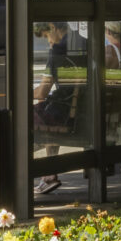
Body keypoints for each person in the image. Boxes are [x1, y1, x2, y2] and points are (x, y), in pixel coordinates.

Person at [33, 21, 85, 195]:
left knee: (30, 116)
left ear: (53, 28)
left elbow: (42, 91)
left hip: (66, 112)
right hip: (83, 109)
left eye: (48, 36)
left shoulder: (57, 51)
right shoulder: (82, 44)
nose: (49, 42)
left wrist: (24, 93)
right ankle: (49, 174)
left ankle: (45, 172)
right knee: (46, 112)